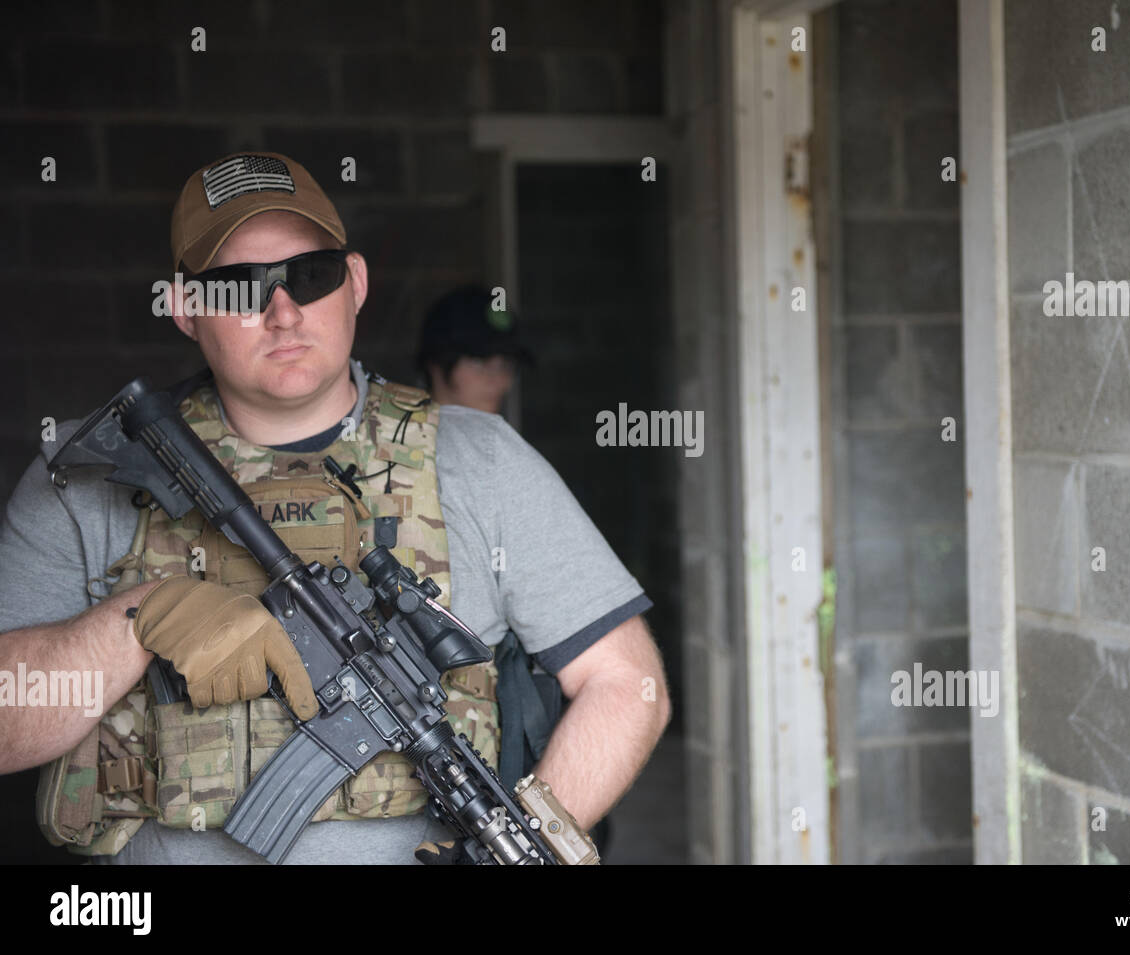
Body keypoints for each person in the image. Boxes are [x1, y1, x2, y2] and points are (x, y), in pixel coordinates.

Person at [0, 151, 670, 864]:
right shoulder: (93, 475)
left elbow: (629, 682)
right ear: (183, 307)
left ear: (354, 284)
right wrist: (137, 622)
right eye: (237, 289)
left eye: (310, 277)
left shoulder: (480, 460)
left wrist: (514, 849)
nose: (282, 312)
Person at [418, 284, 533, 415]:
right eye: (479, 361)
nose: (498, 380)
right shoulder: (400, 432)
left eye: (506, 365)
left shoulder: (499, 434)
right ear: (436, 361)